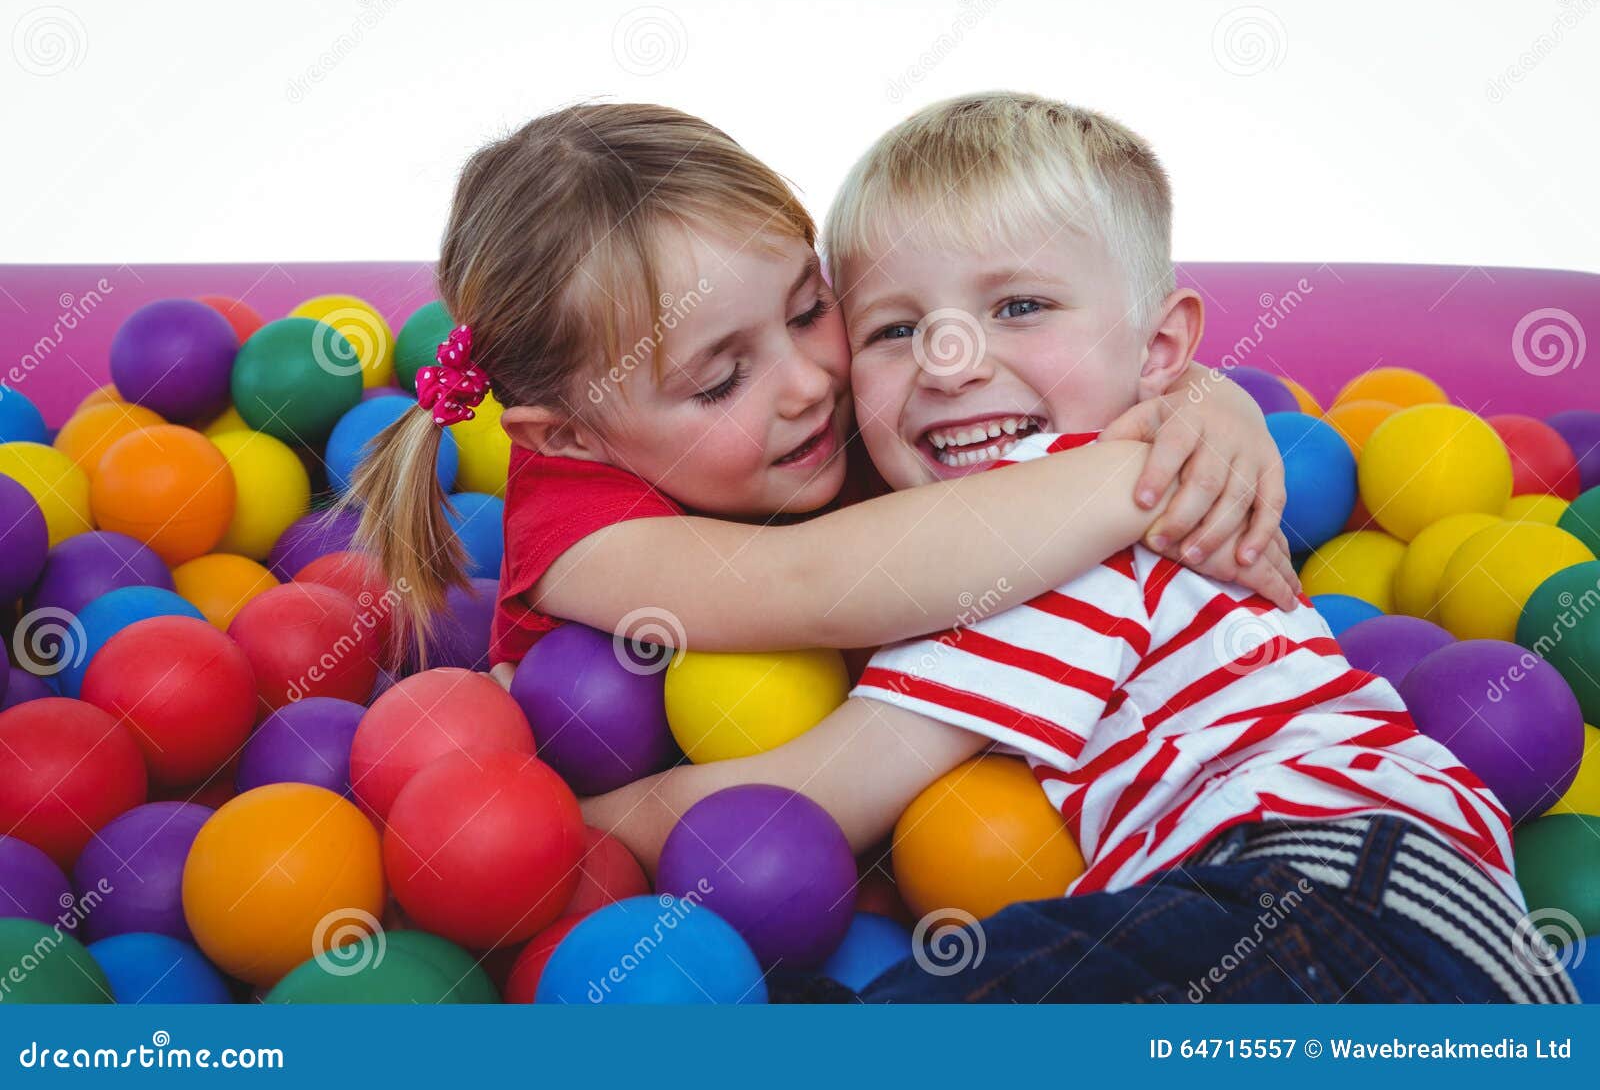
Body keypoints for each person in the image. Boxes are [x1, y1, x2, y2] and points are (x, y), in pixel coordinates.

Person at [583, 92, 1574, 1004]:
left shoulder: (1035, 535)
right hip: (1419, 928)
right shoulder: (1106, 485)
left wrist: (569, 828)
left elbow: (820, 792)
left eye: (1017, 306)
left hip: (1330, 904)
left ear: (1157, 348)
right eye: (893, 328)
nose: (948, 358)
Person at [344, 102, 1297, 688]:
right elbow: (819, 587)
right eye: (721, 379)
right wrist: (1140, 467)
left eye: (809, 310)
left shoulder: (852, 414)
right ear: (572, 435)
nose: (810, 383)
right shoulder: (576, 534)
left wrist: (1203, 400)